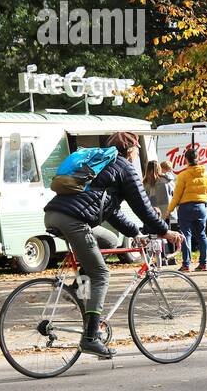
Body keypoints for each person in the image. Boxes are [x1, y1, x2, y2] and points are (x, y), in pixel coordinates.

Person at [44, 132, 183, 358]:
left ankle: (81, 291)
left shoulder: (104, 167)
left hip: (55, 214)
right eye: (137, 150)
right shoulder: (124, 168)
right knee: (101, 275)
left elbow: (112, 211)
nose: (137, 154)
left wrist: (135, 232)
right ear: (130, 150)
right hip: (74, 220)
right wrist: (164, 231)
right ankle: (90, 338)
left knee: (109, 240)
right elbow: (144, 208)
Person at [166, 145, 207, 272]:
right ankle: (203, 263)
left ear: (185, 160)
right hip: (201, 207)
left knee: (186, 235)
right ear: (198, 158)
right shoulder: (205, 174)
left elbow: (176, 196)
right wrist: (203, 198)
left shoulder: (183, 175)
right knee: (202, 235)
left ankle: (186, 264)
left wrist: (169, 210)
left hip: (185, 208)